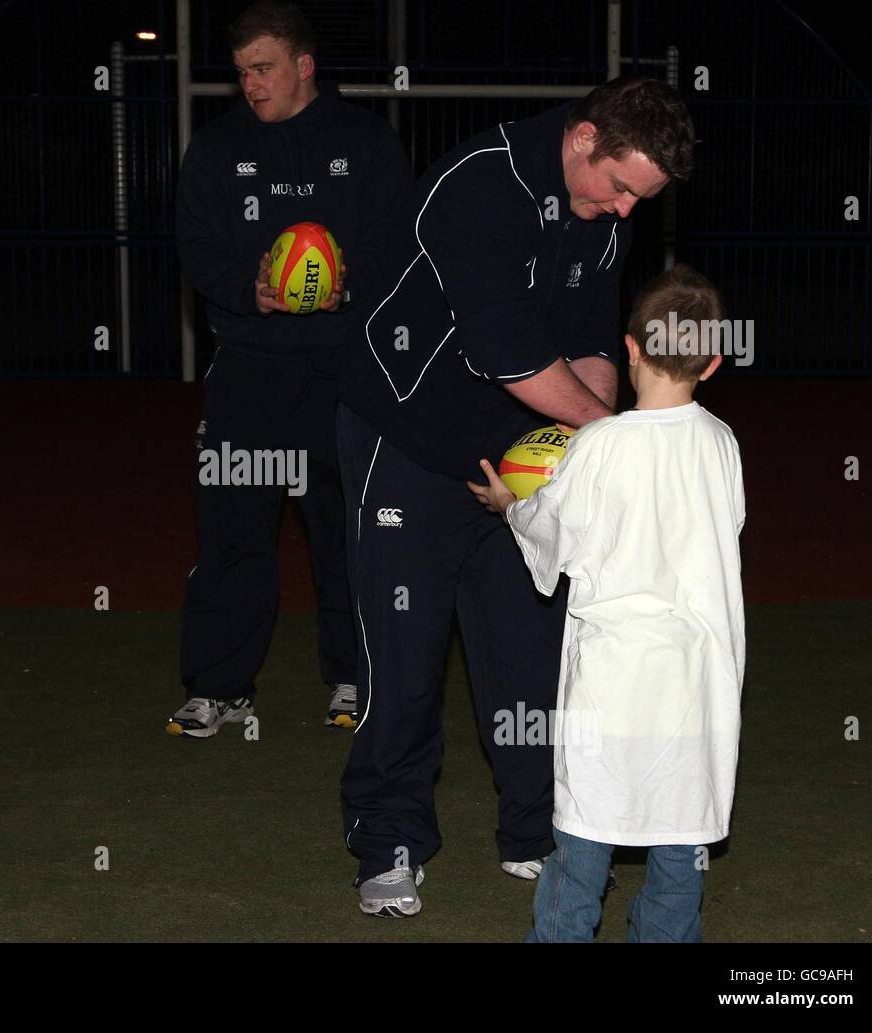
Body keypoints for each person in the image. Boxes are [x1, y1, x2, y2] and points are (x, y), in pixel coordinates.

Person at [337, 76, 695, 915]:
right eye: (620, 189)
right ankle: (388, 840)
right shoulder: (480, 186)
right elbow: (512, 356)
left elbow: (584, 343)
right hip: (409, 444)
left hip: (518, 457)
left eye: (641, 199)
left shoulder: (601, 212)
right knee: (405, 652)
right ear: (584, 140)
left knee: (528, 650)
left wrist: (587, 439)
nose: (624, 214)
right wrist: (619, 439)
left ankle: (534, 831)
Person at [469, 264, 745, 942]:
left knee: (584, 839)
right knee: (681, 840)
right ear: (711, 362)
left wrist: (511, 504)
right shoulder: (722, 445)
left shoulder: (598, 445)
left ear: (629, 348)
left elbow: (551, 535)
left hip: (612, 684)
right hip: (695, 683)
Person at [168, 1, 411, 738]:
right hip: (249, 372)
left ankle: (351, 676)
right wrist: (252, 288)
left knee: (347, 531)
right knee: (232, 529)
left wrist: (347, 283)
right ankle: (220, 685)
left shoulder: (366, 142)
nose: (250, 84)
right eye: (241, 71)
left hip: (344, 370)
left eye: (264, 68)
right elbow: (197, 249)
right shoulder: (214, 150)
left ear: (305, 66)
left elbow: (397, 243)